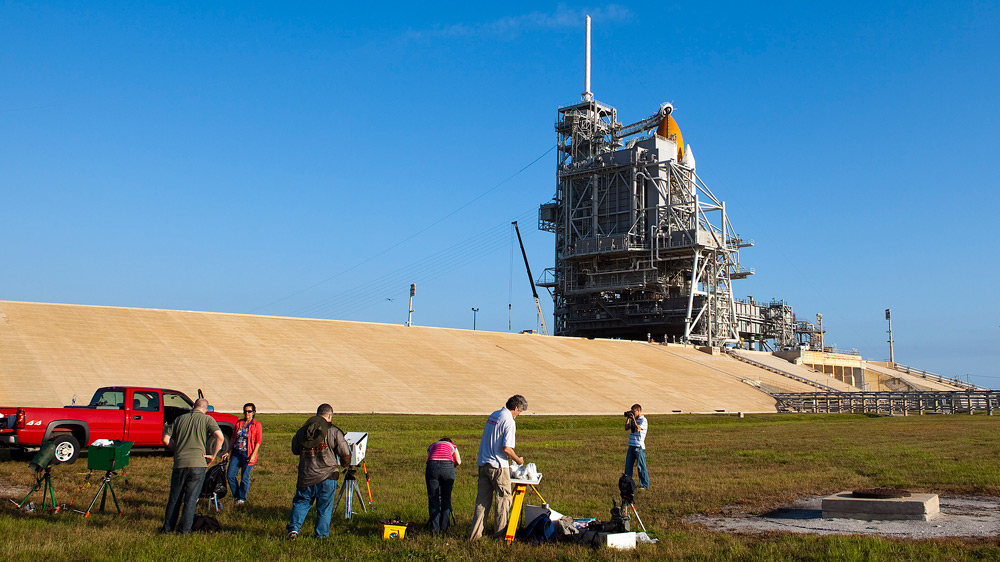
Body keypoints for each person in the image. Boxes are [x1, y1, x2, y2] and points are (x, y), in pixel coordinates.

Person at [286, 403, 351, 540]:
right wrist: (345, 465)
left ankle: (293, 530)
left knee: (301, 503)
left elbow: (294, 449)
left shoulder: (303, 431)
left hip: (306, 476)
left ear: (317, 414)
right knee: (324, 508)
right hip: (327, 477)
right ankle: (321, 535)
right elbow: (345, 453)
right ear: (330, 415)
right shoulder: (333, 431)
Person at [162, 398, 224, 534]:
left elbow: (165, 440)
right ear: (206, 410)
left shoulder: (179, 419)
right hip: (198, 463)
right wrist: (213, 455)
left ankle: (167, 528)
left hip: (180, 463)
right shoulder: (207, 420)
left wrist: (177, 449)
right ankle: (184, 530)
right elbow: (220, 437)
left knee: (174, 498)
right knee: (191, 499)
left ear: (193, 406)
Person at [468, 394, 527, 540]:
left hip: (483, 463)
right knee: (503, 500)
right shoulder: (509, 421)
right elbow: (507, 448)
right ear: (515, 408)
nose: (518, 415)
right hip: (498, 466)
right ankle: (500, 535)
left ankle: (474, 535)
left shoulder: (494, 415)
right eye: (519, 412)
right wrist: (518, 460)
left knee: (482, 502)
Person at [224, 402, 262, 505]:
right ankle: (236, 496)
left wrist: (253, 455)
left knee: (244, 477)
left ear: (254, 412)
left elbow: (258, 441)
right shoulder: (239, 423)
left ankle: (242, 498)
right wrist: (228, 451)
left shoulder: (256, 425)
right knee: (230, 475)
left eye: (249, 411)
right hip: (236, 453)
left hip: (248, 453)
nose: (247, 414)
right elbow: (233, 438)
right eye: (245, 411)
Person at [426, 437, 461, 533]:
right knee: (446, 498)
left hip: (432, 467)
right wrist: (450, 467)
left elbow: (429, 458)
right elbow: (458, 462)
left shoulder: (432, 445)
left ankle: (435, 528)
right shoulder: (452, 446)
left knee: (433, 498)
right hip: (447, 467)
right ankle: (444, 527)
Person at [624, 403, 649, 490]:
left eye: (633, 411)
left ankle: (644, 485)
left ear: (638, 411)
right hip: (631, 445)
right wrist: (628, 419)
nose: (632, 413)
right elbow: (626, 428)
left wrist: (634, 420)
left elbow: (638, 429)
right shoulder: (633, 419)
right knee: (628, 466)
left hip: (639, 446)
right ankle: (628, 483)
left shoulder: (643, 420)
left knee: (641, 466)